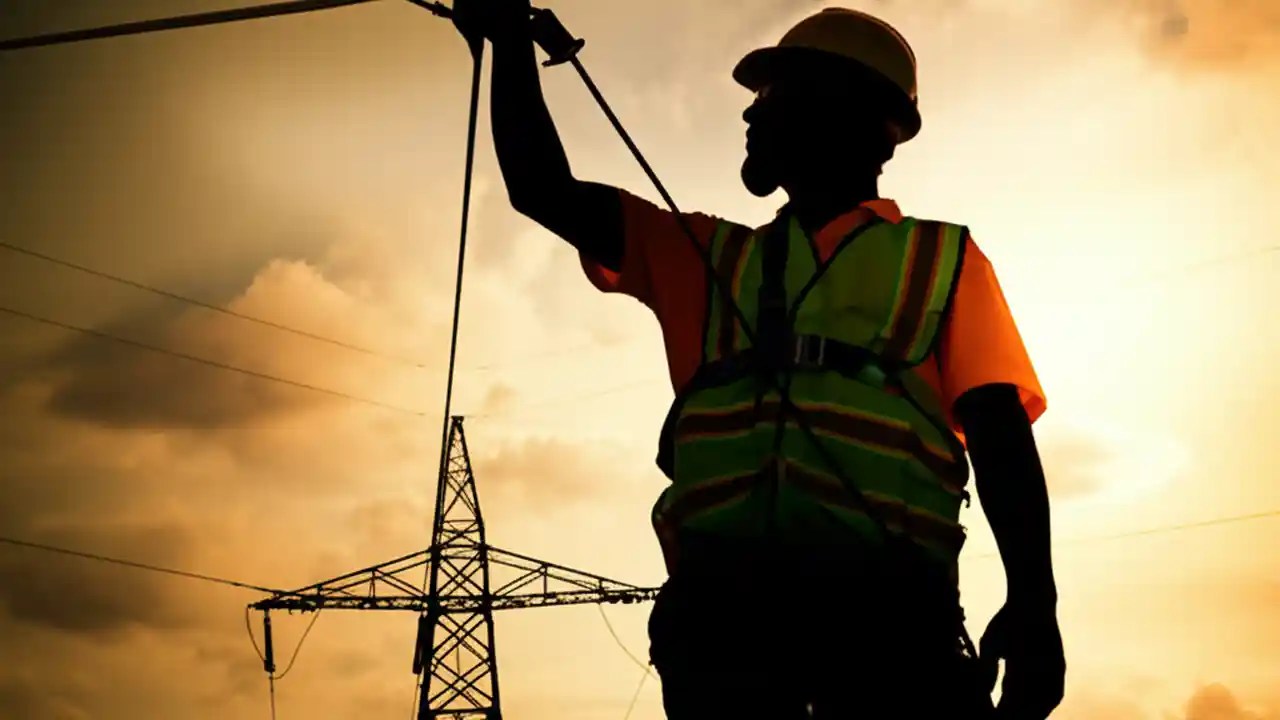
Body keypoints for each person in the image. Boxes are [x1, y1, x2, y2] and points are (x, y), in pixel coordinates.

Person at [452, 2, 1065, 717]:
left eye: (775, 95)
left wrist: (1035, 606)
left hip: (888, 637)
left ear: (855, 117)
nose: (752, 115)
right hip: (724, 639)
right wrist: (506, 45)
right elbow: (541, 188)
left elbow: (1001, 443)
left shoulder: (941, 260)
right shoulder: (708, 257)